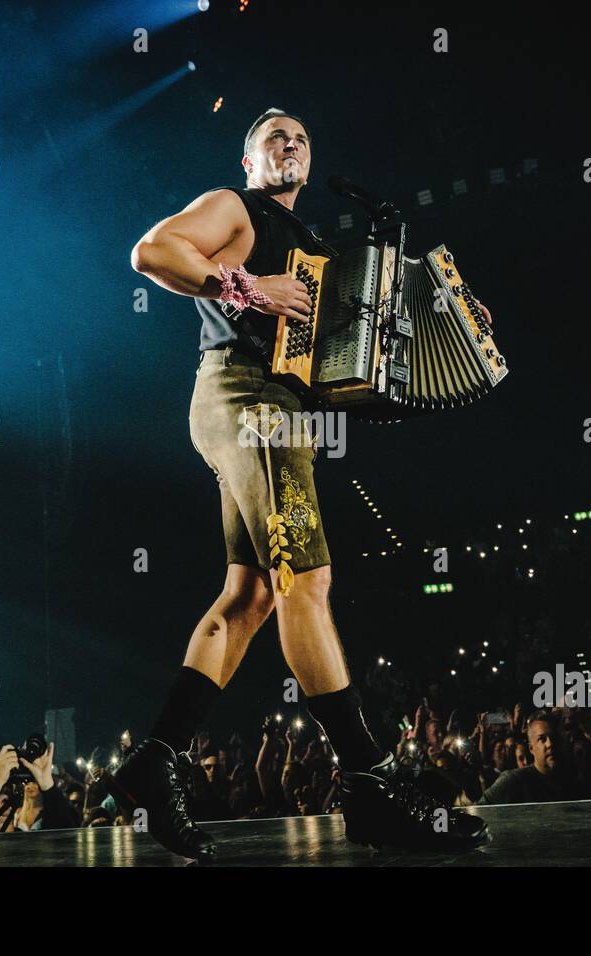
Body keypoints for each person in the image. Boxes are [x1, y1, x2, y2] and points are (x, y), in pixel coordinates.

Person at [112, 107, 491, 859]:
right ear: (249, 160)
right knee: (306, 585)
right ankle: (371, 785)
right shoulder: (235, 207)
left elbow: (355, 367)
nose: (291, 145)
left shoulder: (317, 250)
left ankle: (154, 764)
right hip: (246, 401)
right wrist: (247, 290)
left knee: (250, 596)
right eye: (274, 138)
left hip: (279, 412)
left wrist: (455, 318)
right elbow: (153, 252)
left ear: (310, 166)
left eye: (302, 139)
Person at [0, 742, 76, 833]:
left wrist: (47, 785)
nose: (1, 800)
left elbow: (65, 837)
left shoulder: (28, 842)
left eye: (7, 796)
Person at [476, 713, 580, 805]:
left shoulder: (574, 781)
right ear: (531, 748)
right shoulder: (513, 782)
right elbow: (477, 813)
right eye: (542, 739)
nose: (550, 744)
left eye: (554, 737)